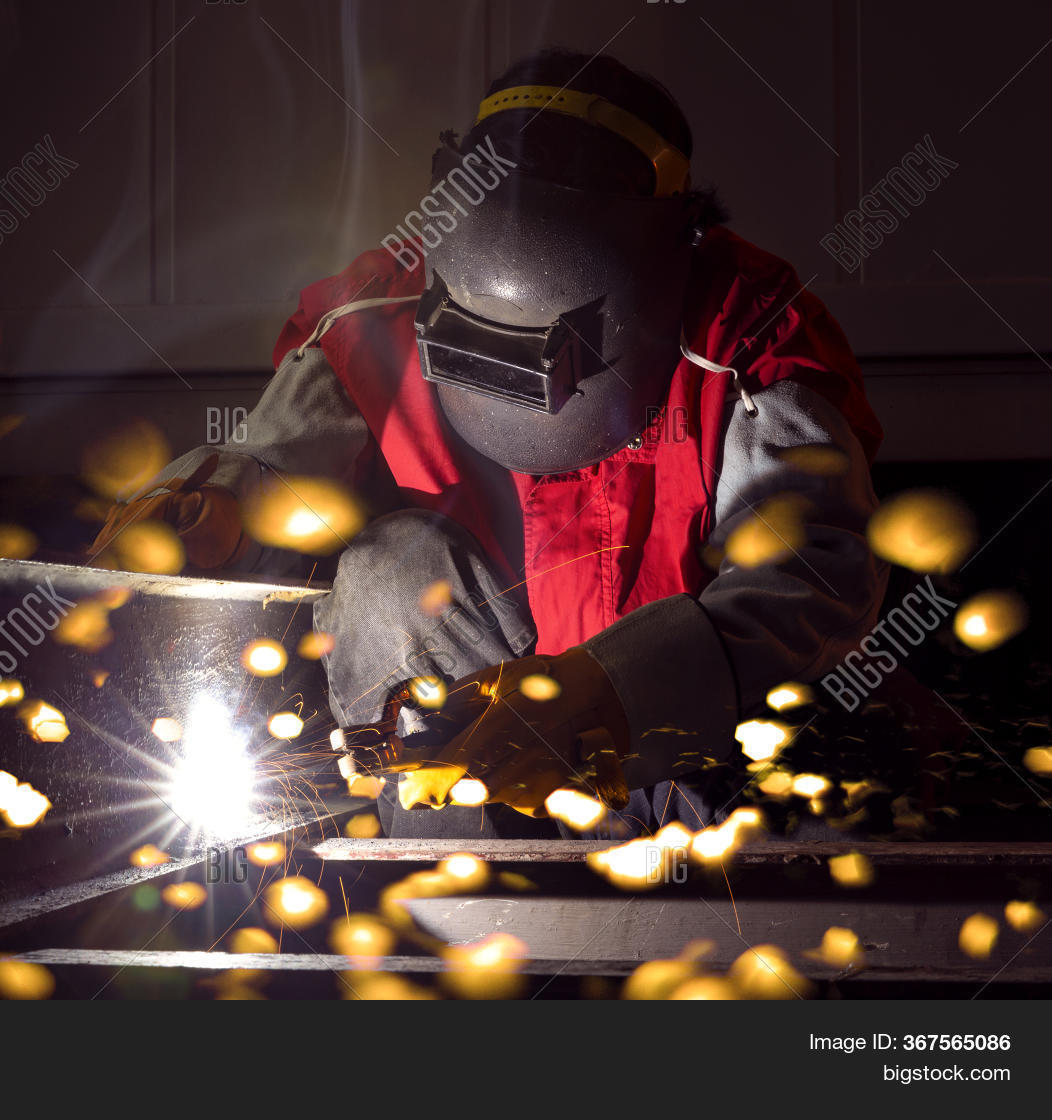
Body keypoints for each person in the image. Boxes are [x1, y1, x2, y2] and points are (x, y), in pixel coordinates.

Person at [90, 49, 887, 841]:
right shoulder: (376, 313)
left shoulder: (749, 337)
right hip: (472, 747)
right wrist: (209, 504)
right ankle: (442, 870)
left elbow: (815, 572)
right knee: (390, 566)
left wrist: (615, 688)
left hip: (679, 754)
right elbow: (275, 470)